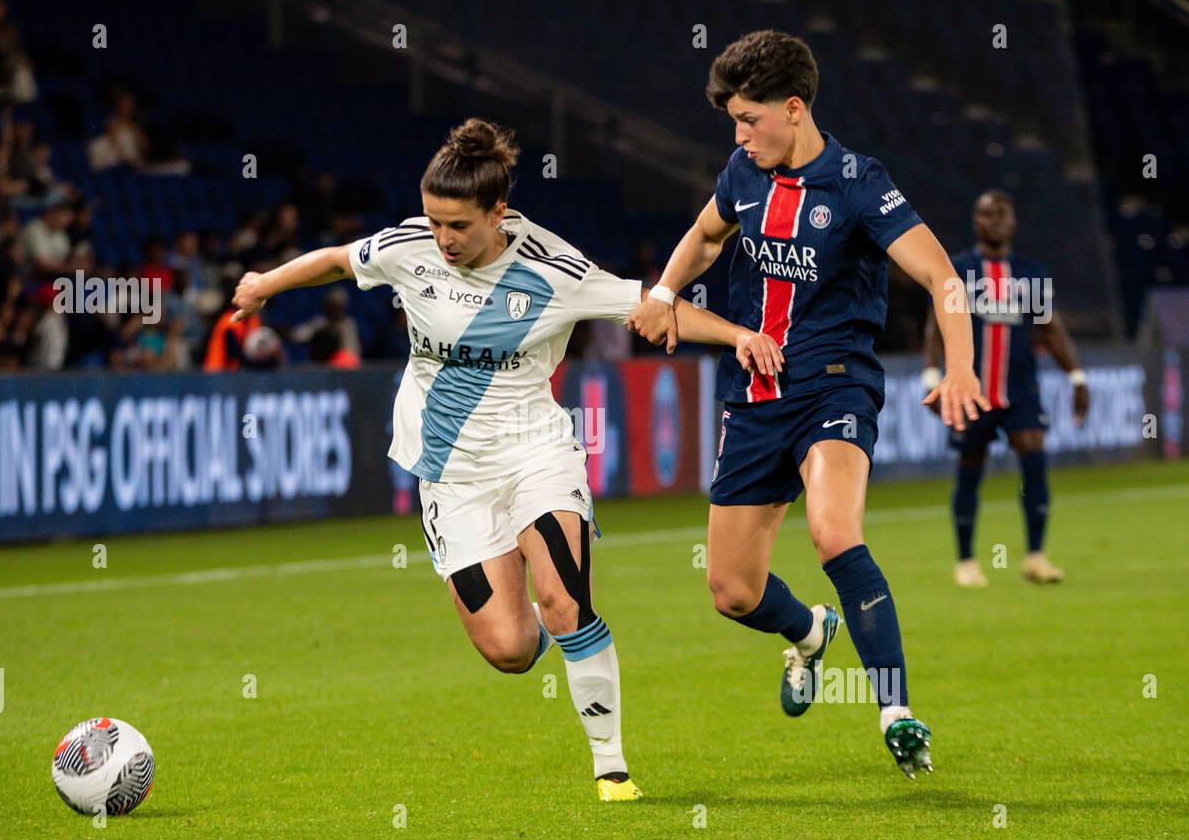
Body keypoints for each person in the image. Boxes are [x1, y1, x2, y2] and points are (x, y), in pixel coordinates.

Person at [230, 118, 779, 800]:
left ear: (498, 212)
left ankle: (612, 768)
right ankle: (550, 644)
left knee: (565, 600)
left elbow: (648, 305)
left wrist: (737, 336)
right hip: (451, 471)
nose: (443, 237)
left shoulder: (552, 267)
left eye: (457, 224)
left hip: (534, 450)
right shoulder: (411, 248)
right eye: (434, 221)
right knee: (510, 648)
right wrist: (263, 284)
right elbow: (341, 259)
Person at [628, 30, 992, 778]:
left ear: (793, 109)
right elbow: (703, 237)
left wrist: (960, 367)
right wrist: (666, 290)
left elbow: (942, 277)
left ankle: (896, 708)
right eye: (733, 121)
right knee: (731, 591)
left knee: (833, 532)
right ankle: (810, 632)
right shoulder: (742, 171)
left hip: (835, 381)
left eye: (749, 119)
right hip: (755, 398)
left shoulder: (859, 182)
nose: (738, 135)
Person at [923, 190, 1089, 587]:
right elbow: (936, 327)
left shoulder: (1030, 273)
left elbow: (1050, 328)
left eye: (1000, 214)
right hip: (971, 388)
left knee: (1034, 453)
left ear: (1012, 220)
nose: (992, 221)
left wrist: (1077, 377)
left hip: (1020, 388)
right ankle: (966, 561)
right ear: (975, 221)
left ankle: (1035, 555)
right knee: (970, 466)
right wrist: (932, 376)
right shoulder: (958, 270)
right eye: (985, 214)